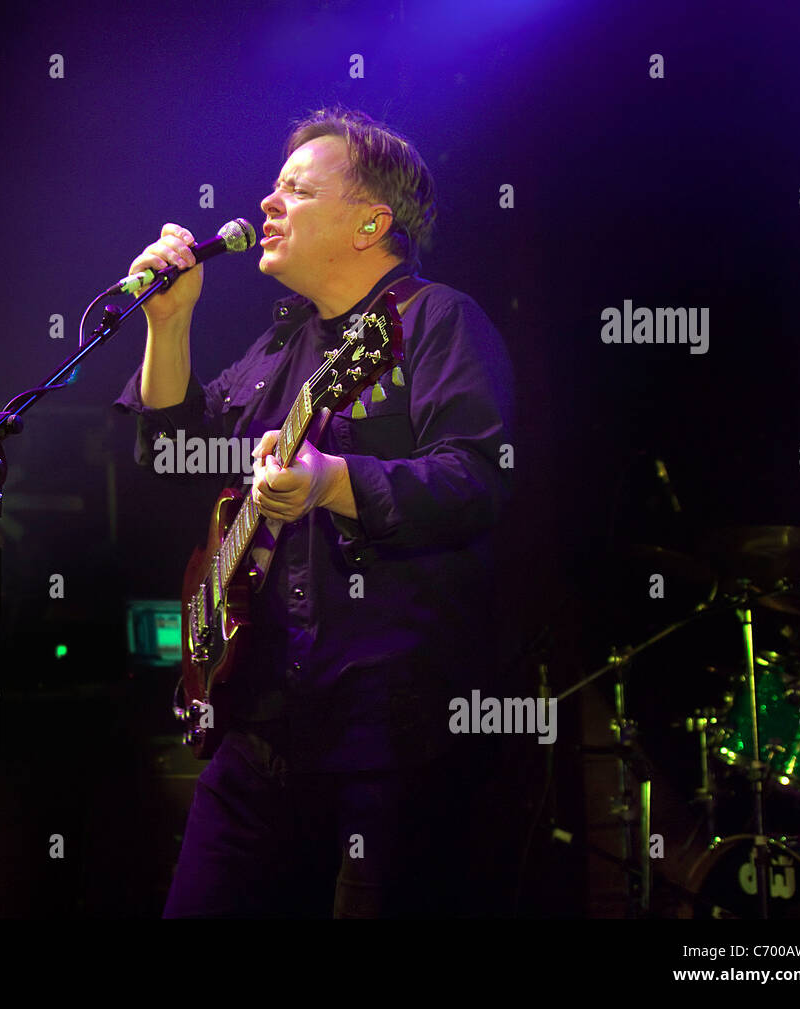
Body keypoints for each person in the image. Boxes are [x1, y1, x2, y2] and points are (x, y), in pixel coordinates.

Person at [114, 107, 518, 917]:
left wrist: (336, 481)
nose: (267, 203)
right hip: (256, 728)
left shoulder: (437, 321)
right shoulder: (281, 346)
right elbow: (169, 454)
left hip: (384, 738)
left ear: (373, 221)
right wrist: (170, 321)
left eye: (295, 189)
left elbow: (480, 478)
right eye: (273, 186)